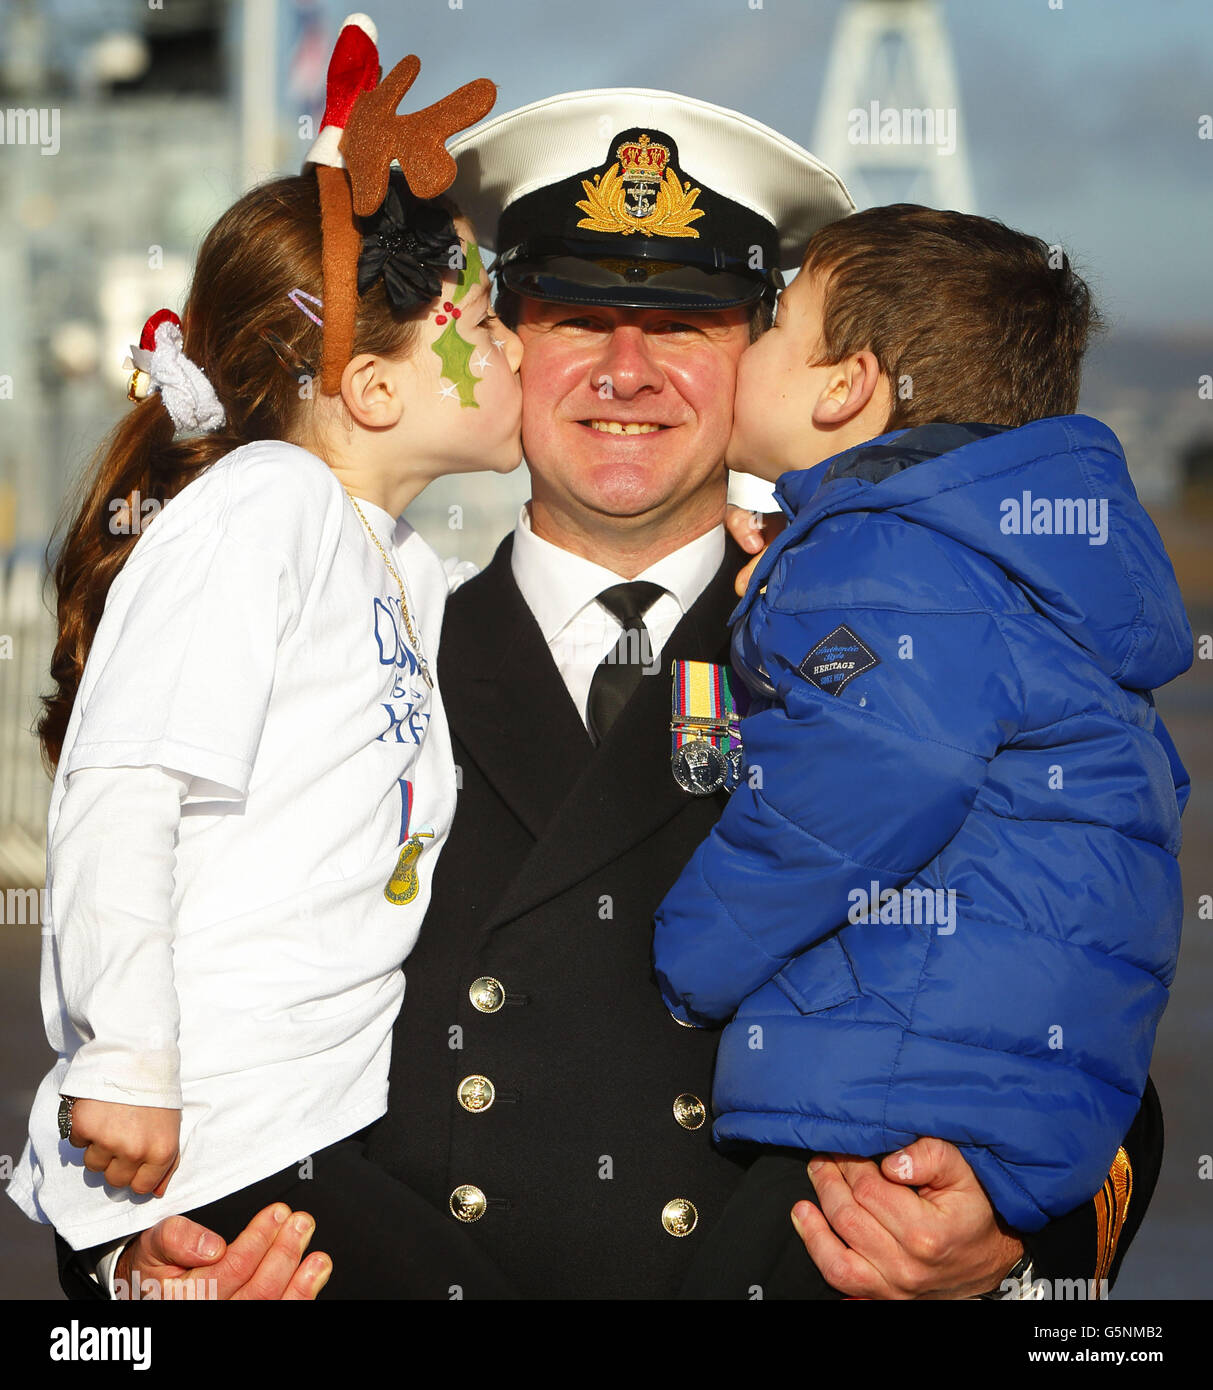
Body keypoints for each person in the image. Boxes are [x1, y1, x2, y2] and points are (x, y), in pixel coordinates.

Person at [88, 90, 1163, 1302]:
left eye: (686, 322)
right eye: (577, 315)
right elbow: (132, 986)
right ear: (497, 339)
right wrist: (144, 1273)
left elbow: (1085, 996)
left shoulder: (905, 651)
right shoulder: (356, 639)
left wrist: (1014, 1245)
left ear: (767, 350)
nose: (627, 371)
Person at [13, 21, 524, 1298]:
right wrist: (126, 1062)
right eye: (480, 318)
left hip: (316, 1118)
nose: (513, 343)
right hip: (209, 1129)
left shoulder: (397, 564)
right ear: (370, 385)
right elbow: (125, 782)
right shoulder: (266, 505)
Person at [653, 203, 1190, 1259]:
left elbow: (884, 759)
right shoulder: (1001, 557)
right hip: (1001, 1087)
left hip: (872, 1120)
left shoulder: (871, 561)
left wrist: (690, 952)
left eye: (759, 323)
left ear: (845, 383)